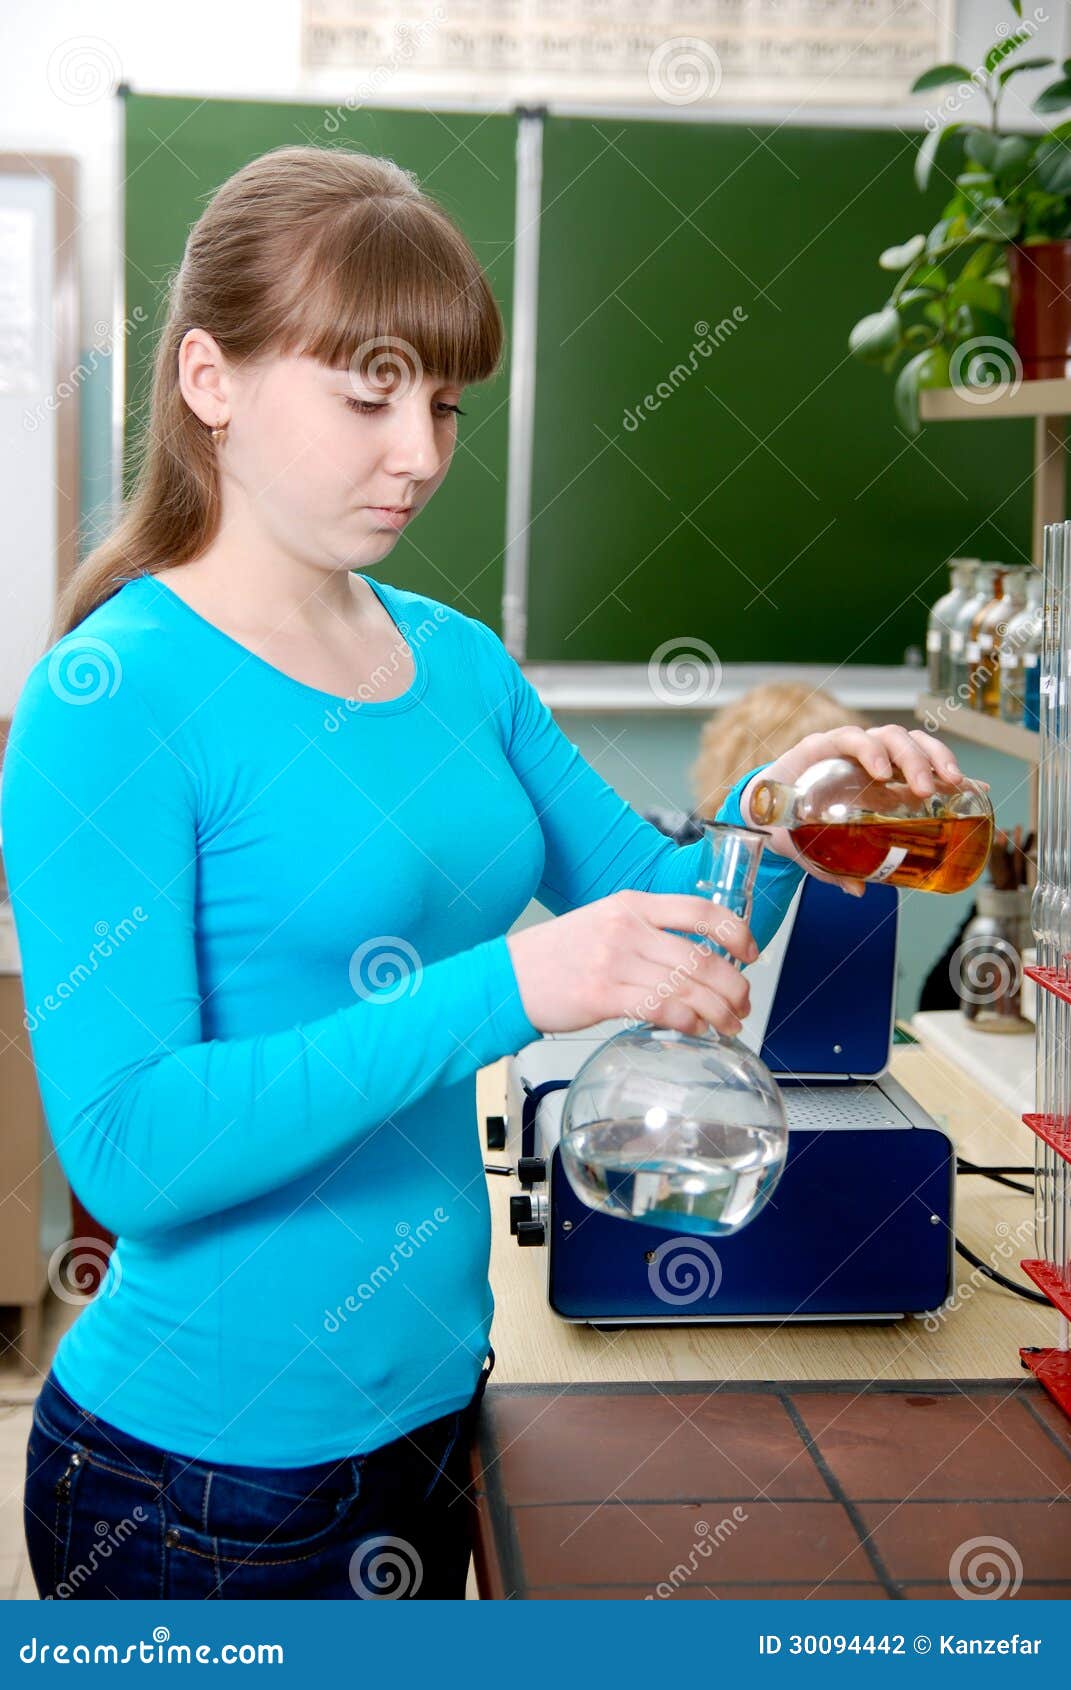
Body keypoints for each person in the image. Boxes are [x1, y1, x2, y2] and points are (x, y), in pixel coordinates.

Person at [0, 145, 973, 1601]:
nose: (423, 453)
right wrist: (516, 982)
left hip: (439, 1413)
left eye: (444, 403)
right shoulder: (109, 699)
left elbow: (682, 906)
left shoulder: (457, 658)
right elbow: (132, 1153)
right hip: (199, 1479)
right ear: (210, 377)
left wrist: (802, 798)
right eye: (368, 393)